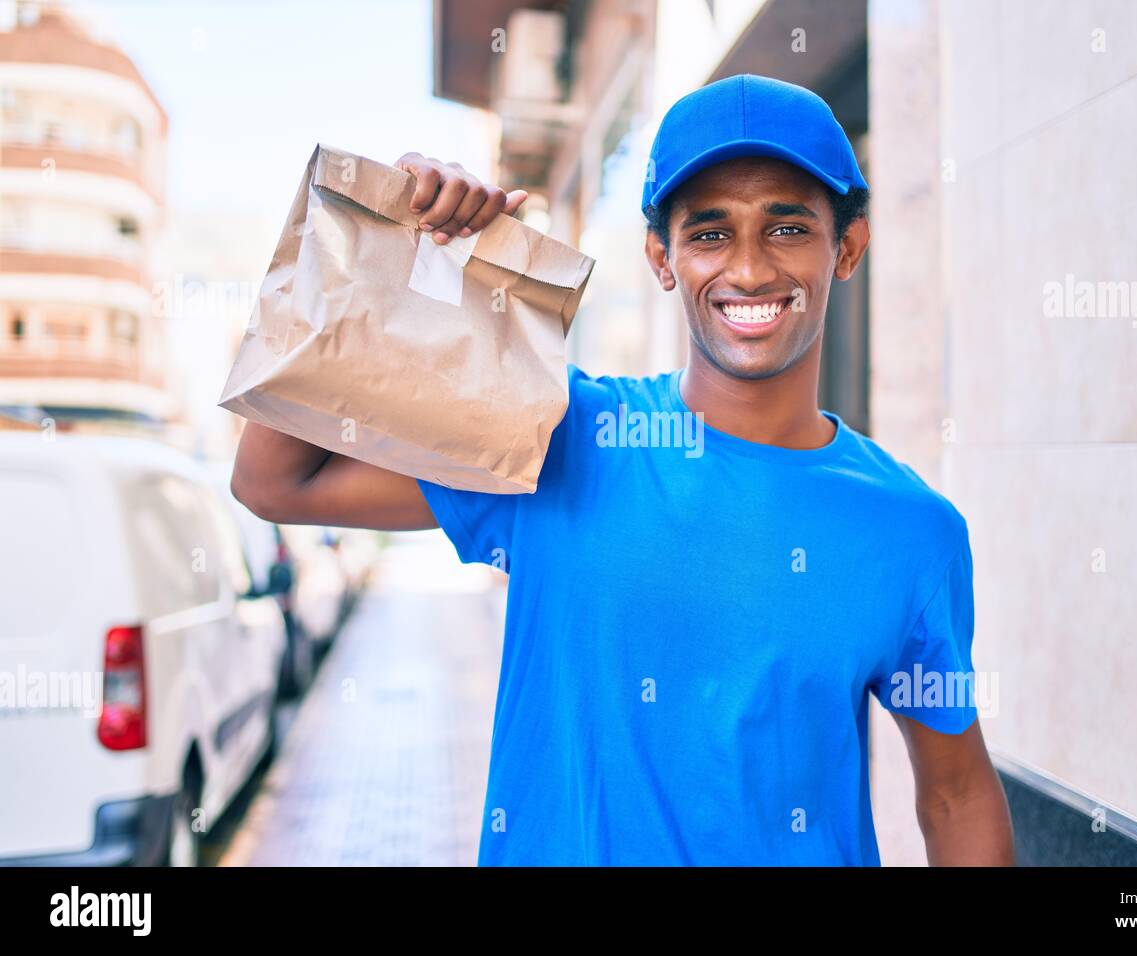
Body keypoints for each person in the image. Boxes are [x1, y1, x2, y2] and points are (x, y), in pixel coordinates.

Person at [232, 73, 1014, 865]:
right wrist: (386, 244)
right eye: (709, 233)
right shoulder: (553, 438)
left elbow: (956, 792)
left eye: (786, 229)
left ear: (846, 247)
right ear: (661, 257)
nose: (748, 270)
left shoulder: (914, 530)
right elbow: (274, 481)